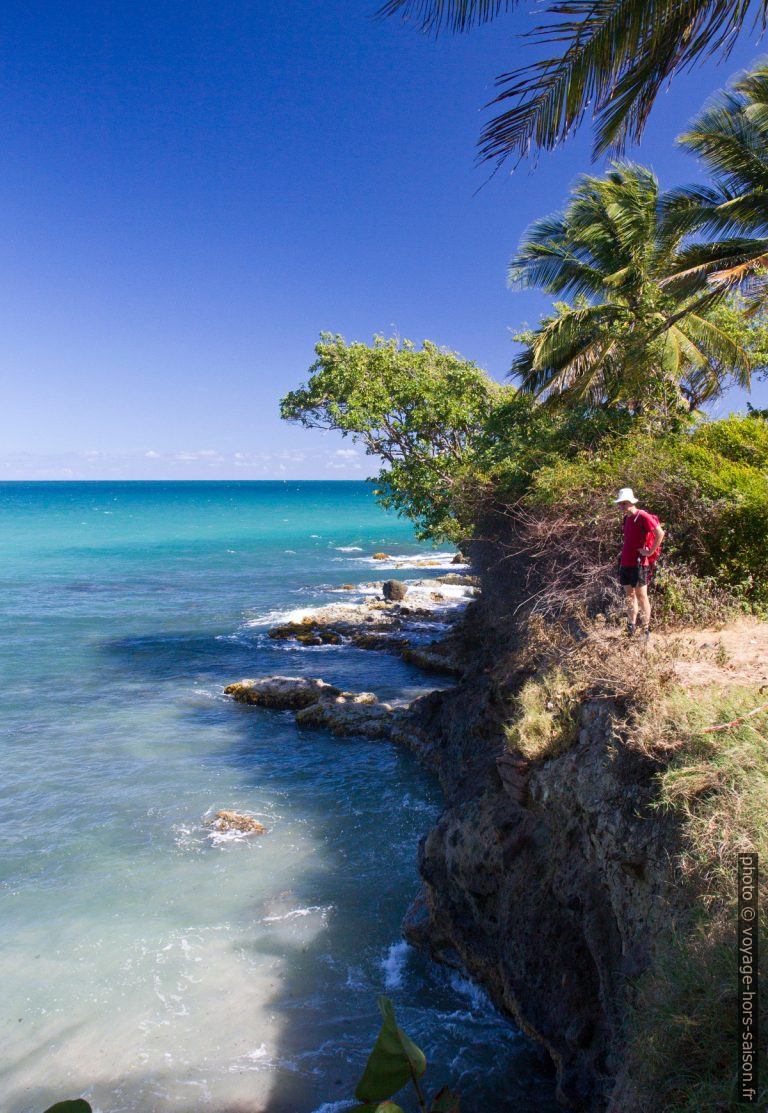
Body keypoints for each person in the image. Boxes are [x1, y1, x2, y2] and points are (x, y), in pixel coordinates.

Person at [614, 487, 665, 638]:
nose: (621, 506)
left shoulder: (642, 516)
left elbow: (659, 533)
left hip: (639, 563)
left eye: (624, 503)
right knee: (629, 595)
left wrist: (649, 552)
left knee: (642, 596)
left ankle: (646, 630)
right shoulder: (627, 519)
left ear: (631, 502)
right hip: (626, 562)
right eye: (620, 504)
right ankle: (631, 627)